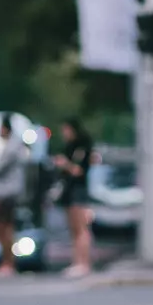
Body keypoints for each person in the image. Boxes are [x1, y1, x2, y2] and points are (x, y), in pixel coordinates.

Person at [0, 112, 29, 278]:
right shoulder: (11, 145)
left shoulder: (12, 147)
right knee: (0, 227)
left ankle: (8, 262)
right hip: (5, 193)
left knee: (4, 227)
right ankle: (6, 262)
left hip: (6, 193)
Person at [52, 119, 94, 278]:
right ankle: (77, 261)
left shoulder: (82, 148)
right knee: (74, 229)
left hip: (78, 190)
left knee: (80, 228)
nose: (64, 134)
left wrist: (65, 164)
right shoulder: (69, 148)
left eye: (66, 130)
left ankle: (84, 262)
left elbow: (79, 170)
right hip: (69, 191)